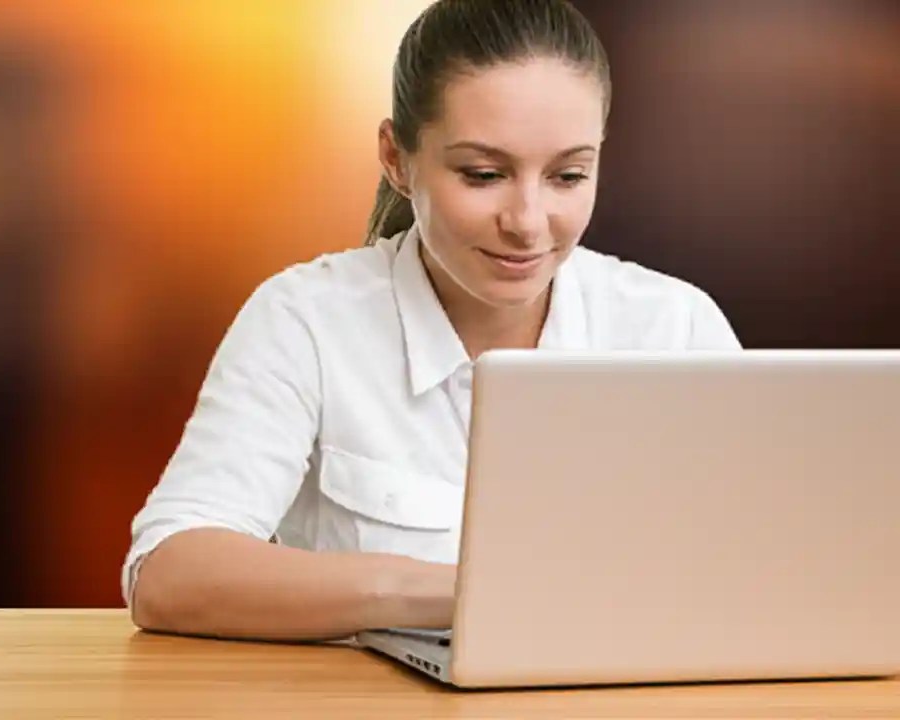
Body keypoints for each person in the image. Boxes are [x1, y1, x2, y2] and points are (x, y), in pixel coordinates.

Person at [122, 0, 741, 642]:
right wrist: (464, 592)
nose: (528, 222)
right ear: (396, 158)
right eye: (484, 174)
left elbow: (765, 563)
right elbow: (169, 576)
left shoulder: (674, 327)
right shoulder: (306, 321)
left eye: (568, 175)